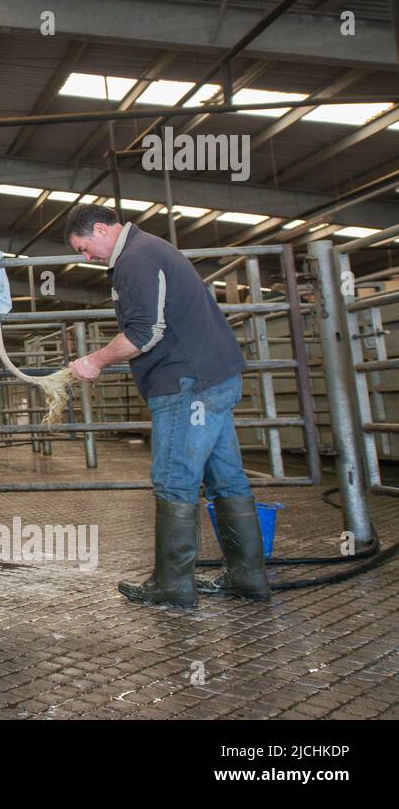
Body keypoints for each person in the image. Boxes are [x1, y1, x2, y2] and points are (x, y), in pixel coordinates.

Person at [63, 204, 270, 608]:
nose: (86, 258)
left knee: (174, 479)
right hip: (213, 379)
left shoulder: (136, 260)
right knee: (226, 478)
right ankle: (248, 576)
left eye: (84, 248)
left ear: (102, 230)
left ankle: (173, 585)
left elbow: (143, 333)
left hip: (186, 384)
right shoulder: (151, 249)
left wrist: (95, 360)